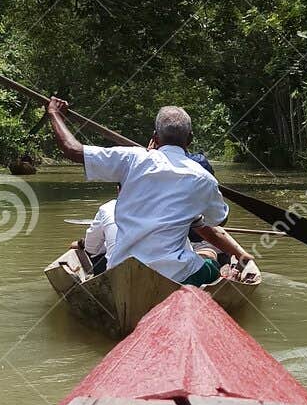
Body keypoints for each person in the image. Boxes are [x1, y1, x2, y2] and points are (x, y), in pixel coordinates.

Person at [45, 98, 259, 286]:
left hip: (120, 271)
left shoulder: (132, 158)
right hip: (177, 275)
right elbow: (220, 221)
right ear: (190, 139)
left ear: (155, 137)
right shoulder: (204, 178)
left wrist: (54, 113)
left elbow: (72, 150)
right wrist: (193, 216)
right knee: (211, 264)